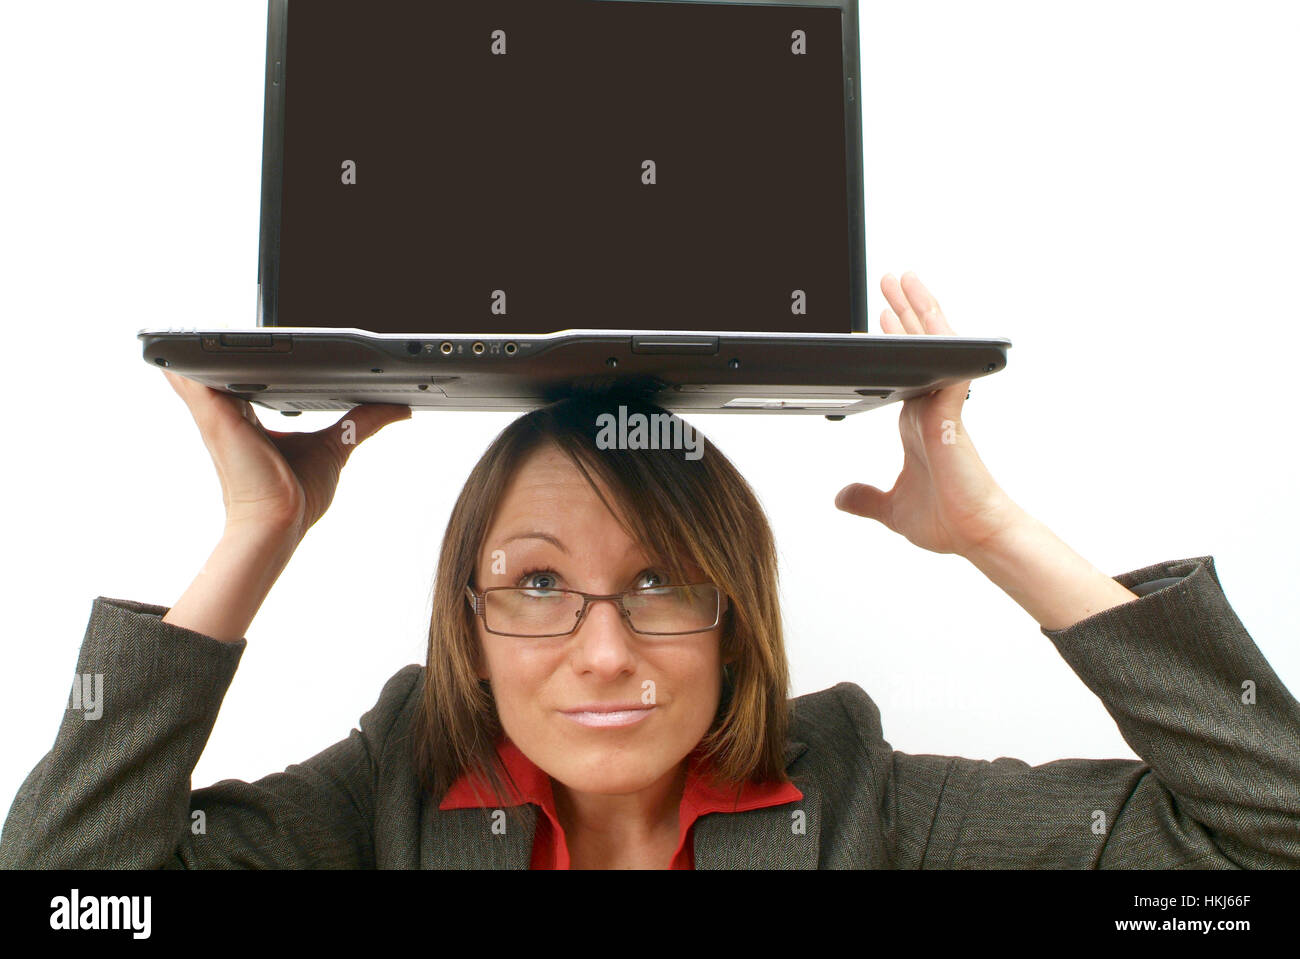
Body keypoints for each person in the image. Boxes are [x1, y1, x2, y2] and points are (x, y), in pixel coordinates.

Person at [2, 273, 1297, 869]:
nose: (605, 650)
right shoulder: (387, 805)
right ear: (471, 622)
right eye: (539, 583)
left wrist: (998, 531)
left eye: (666, 581)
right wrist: (255, 538)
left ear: (736, 622)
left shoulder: (857, 805)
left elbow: (1269, 839)